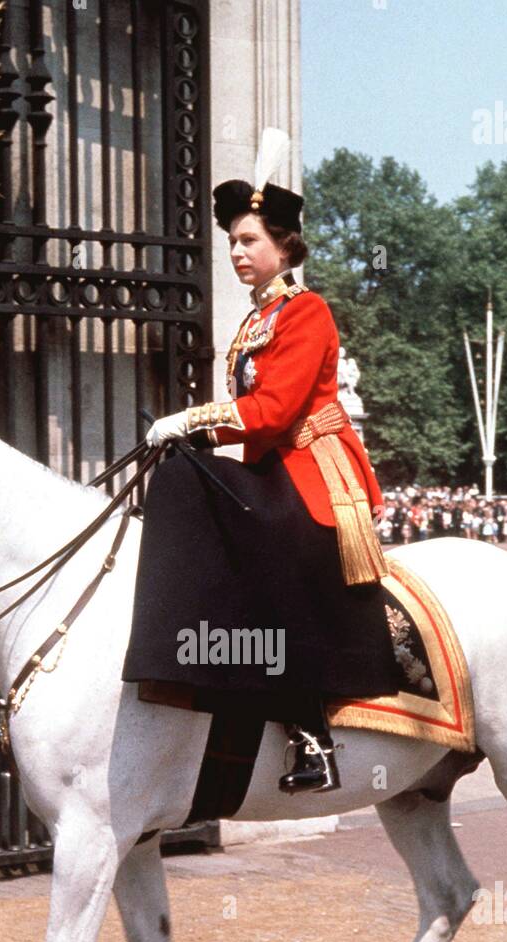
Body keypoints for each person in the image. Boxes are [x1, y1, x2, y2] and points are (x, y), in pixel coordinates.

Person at [123, 128, 398, 795]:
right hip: (276, 467)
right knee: (187, 477)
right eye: (233, 242)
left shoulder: (307, 313)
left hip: (317, 474)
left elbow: (274, 412)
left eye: (249, 240)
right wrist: (188, 437)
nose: (238, 252)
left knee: (265, 554)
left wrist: (191, 421)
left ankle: (313, 734)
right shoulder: (254, 322)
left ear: (284, 246)